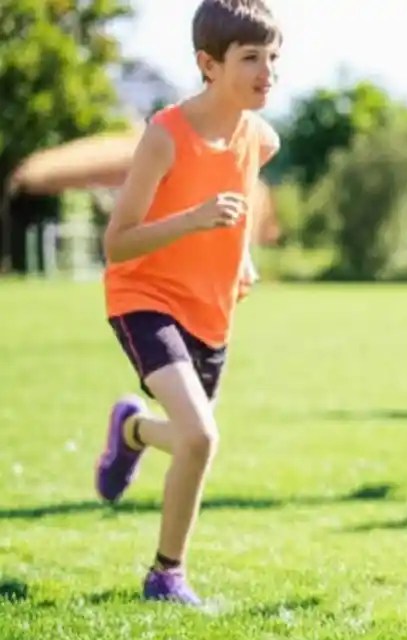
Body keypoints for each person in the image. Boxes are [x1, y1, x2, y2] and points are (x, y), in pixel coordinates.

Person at [93, 0, 281, 605]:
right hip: (143, 297)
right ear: (208, 63)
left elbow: (243, 196)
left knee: (187, 436)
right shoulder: (164, 136)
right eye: (251, 58)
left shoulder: (261, 136)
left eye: (273, 58)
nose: (267, 71)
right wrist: (195, 220)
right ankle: (165, 575)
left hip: (212, 312)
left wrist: (243, 253)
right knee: (201, 438)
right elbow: (117, 244)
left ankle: (132, 432)